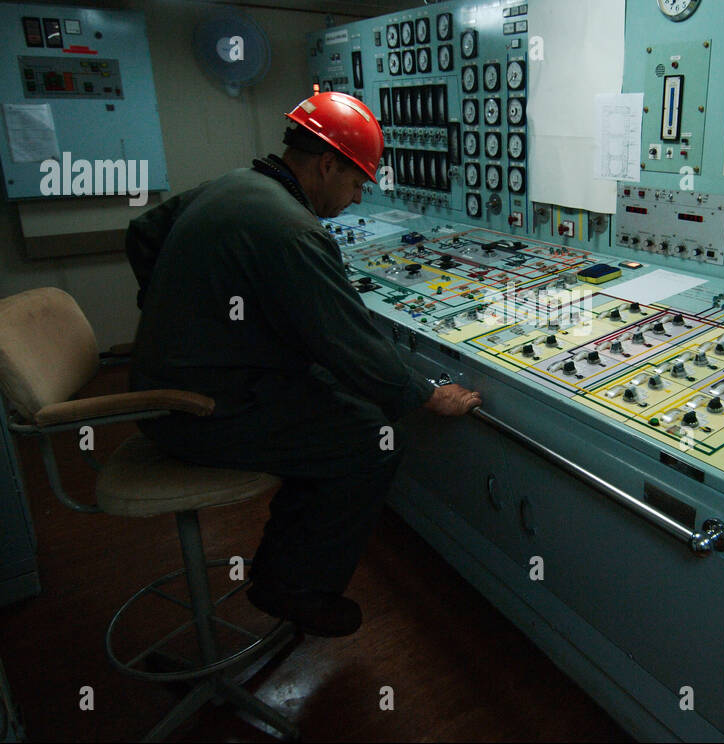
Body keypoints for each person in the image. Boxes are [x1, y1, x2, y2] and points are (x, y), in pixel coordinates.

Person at [125, 90, 481, 637]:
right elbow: (350, 344)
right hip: (195, 410)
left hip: (164, 383)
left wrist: (189, 317)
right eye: (358, 181)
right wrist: (430, 395)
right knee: (372, 439)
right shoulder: (292, 231)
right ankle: (293, 585)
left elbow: (143, 233)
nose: (357, 197)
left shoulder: (235, 185)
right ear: (327, 163)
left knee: (331, 401)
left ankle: (284, 563)